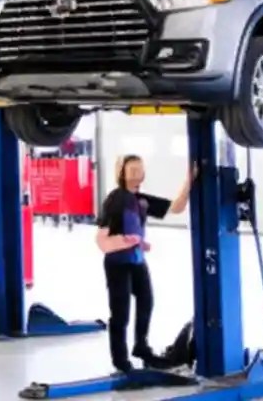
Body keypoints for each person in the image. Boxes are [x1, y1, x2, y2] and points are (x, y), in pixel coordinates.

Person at [95, 154, 192, 374]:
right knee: (120, 313)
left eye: (140, 171)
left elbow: (175, 207)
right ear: (121, 173)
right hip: (118, 264)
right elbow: (101, 239)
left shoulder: (142, 200)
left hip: (137, 261)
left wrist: (189, 181)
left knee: (146, 301)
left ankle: (141, 345)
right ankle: (120, 360)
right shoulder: (114, 200)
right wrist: (125, 242)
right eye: (133, 171)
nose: (138, 175)